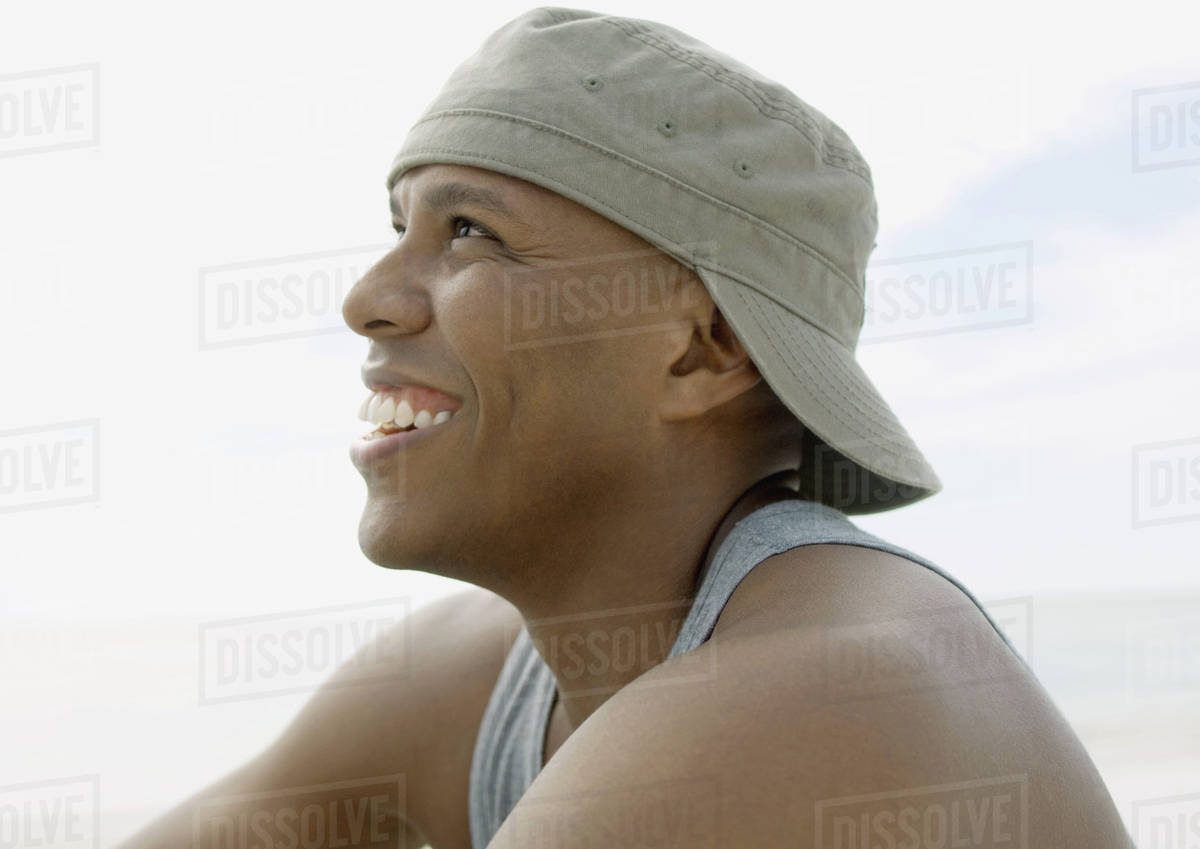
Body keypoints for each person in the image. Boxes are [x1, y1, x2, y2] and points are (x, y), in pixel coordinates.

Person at [119, 7, 1131, 848]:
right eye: (401, 228)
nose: (367, 299)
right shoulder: (480, 680)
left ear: (703, 351)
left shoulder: (814, 692)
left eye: (471, 232)